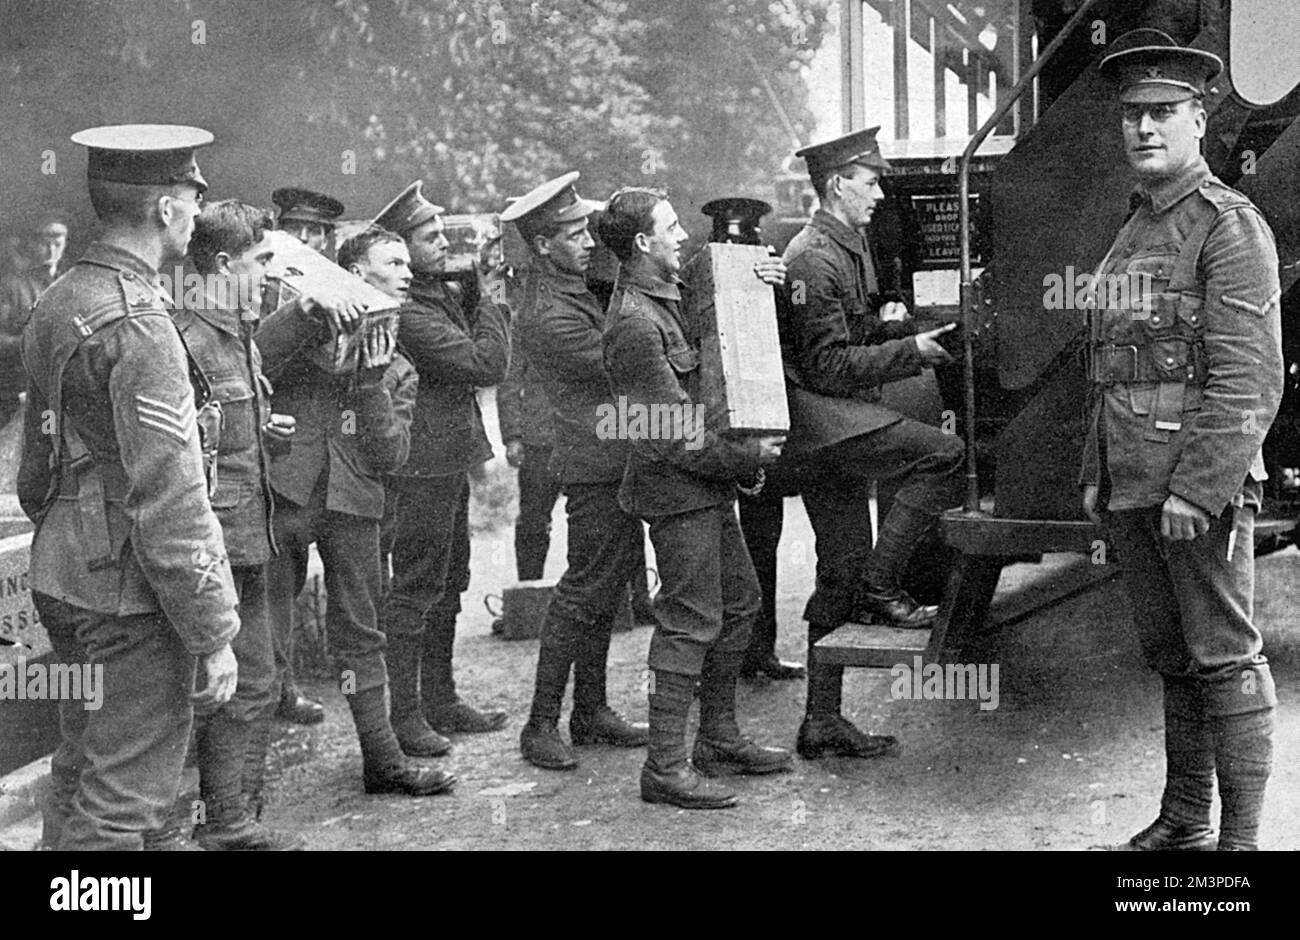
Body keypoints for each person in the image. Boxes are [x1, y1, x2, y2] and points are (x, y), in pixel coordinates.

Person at [1083, 30, 1282, 852]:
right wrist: (1096, 472)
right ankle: (1184, 820)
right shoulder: (1135, 225)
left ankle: (1238, 848)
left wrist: (1198, 490)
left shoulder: (1228, 227)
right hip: (1133, 482)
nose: (1145, 128)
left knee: (1225, 657)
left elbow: (1250, 380)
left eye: (1164, 111)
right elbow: (1113, 365)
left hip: (1192, 491)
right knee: (1175, 658)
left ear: (1200, 120)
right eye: (1133, 114)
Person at [19, 124, 241, 850]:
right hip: (129, 594)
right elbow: (170, 496)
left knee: (79, 772)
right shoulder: (140, 324)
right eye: (190, 195)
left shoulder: (60, 299)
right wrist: (213, 633)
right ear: (165, 210)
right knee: (123, 806)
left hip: (64, 572)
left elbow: (36, 468)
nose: (198, 210)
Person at [601, 187, 793, 809]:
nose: (682, 234)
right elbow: (670, 434)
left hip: (703, 486)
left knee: (740, 604)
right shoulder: (633, 322)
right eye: (670, 226)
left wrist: (765, 272)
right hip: (677, 490)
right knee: (689, 621)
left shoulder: (668, 293)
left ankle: (718, 738)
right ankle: (664, 767)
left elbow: (720, 284)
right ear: (641, 243)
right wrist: (746, 459)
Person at [779, 127, 964, 760]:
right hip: (823, 423)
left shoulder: (845, 244)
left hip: (834, 420)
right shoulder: (813, 257)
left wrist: (897, 326)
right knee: (944, 455)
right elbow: (828, 366)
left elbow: (852, 334)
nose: (881, 193)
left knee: (838, 568)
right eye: (871, 181)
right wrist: (908, 351)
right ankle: (885, 586)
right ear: (838, 184)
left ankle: (821, 720)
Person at [256, 223, 455, 796]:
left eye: (406, 264)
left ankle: (383, 760)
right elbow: (254, 361)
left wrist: (370, 382)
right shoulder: (297, 327)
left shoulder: (397, 366)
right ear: (356, 274)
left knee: (362, 633)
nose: (407, 272)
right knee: (263, 629)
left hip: (353, 505)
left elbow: (391, 455)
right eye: (393, 263)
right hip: (287, 496)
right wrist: (307, 311)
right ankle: (237, 789)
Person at [159, 200, 307, 849]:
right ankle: (176, 827)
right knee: (197, 691)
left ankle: (231, 820)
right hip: (209, 545)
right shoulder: (184, 338)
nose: (272, 273)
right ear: (223, 264)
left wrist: (260, 434)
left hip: (250, 535)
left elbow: (219, 437)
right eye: (262, 260)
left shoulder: (235, 331)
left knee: (254, 683)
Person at [503, 172, 650, 771]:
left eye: (586, 229)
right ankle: (540, 724)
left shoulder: (582, 286)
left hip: (617, 455)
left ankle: (590, 711)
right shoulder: (546, 313)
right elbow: (619, 364)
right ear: (541, 246)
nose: (588, 241)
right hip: (591, 463)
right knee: (581, 591)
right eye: (571, 234)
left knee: (609, 585)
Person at [373, 181, 510, 744]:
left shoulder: (434, 294)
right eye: (428, 237)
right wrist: (495, 296)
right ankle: (405, 717)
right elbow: (485, 363)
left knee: (450, 581)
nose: (440, 244)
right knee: (415, 589)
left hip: (445, 459)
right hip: (420, 466)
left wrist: (476, 285)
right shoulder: (409, 311)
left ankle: (441, 700)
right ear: (401, 247)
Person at [701, 197, 806, 681]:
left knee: (762, 545)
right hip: (712, 438)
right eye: (730, 241)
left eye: (748, 241)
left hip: (760, 431)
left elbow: (789, 340)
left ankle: (758, 651)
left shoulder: (770, 277)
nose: (740, 249)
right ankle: (711, 664)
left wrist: (780, 291)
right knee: (708, 560)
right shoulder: (695, 280)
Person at [264, 185, 345, 724]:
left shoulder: (343, 287)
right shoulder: (263, 291)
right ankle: (277, 687)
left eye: (318, 232)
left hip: (339, 462)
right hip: (287, 462)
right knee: (279, 585)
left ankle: (351, 676)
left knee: (356, 579)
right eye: (298, 229)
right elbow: (255, 365)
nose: (309, 239)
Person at [496, 343, 562, 582]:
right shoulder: (527, 319)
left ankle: (631, 602)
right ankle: (528, 594)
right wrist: (513, 436)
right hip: (540, 440)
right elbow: (509, 382)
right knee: (533, 522)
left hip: (587, 435)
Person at [1, 215, 69, 424]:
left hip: (61, 386)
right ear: (30, 244)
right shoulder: (11, 286)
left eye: (57, 244)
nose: (51, 251)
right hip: (19, 386)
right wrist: (29, 342)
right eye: (44, 243)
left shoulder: (69, 281)